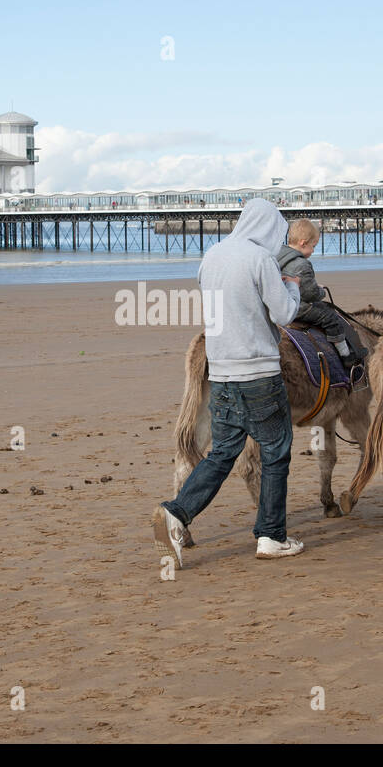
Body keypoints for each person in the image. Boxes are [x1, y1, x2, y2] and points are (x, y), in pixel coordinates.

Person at [154, 198, 306, 567]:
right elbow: (285, 313)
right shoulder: (261, 259)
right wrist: (293, 286)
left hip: (221, 371)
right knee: (276, 450)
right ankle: (271, 535)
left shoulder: (212, 256)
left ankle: (176, 513)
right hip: (258, 372)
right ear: (269, 228)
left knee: (222, 454)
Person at [276, 219, 362, 372]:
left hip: (279, 304)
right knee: (330, 317)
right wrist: (321, 291)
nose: (314, 251)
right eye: (313, 246)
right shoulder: (302, 264)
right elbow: (310, 293)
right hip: (299, 308)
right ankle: (345, 355)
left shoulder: (277, 255)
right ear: (303, 243)